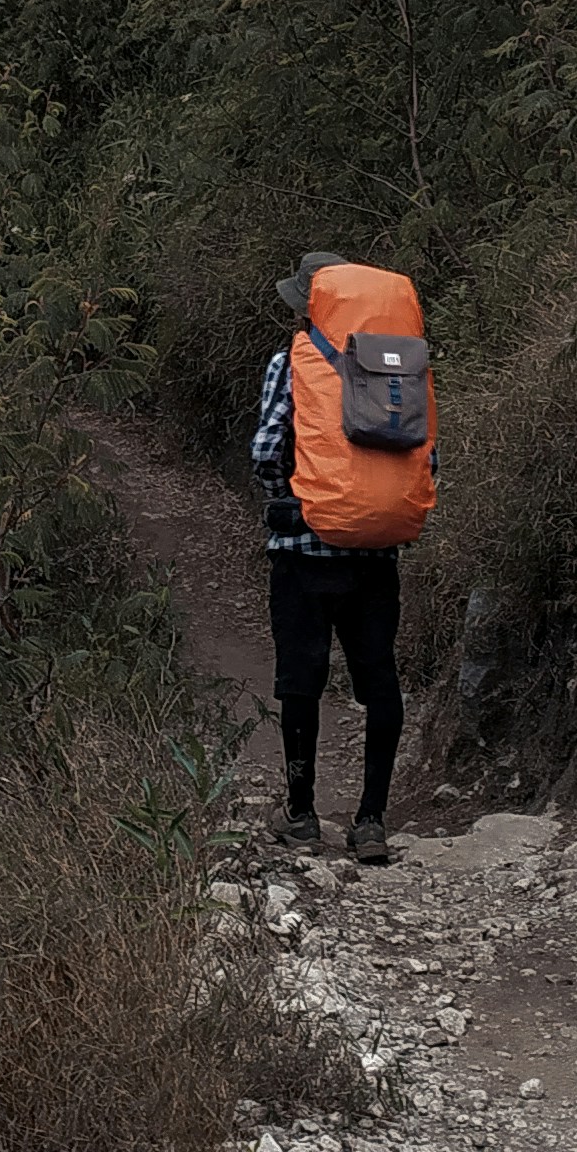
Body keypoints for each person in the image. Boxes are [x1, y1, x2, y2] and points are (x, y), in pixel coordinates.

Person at [250, 247, 422, 861]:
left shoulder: (292, 364)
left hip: (303, 549)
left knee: (302, 679)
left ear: (311, 309)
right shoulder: (398, 368)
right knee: (378, 676)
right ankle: (371, 820)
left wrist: (293, 503)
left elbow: (268, 449)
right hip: (376, 552)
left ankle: (300, 813)